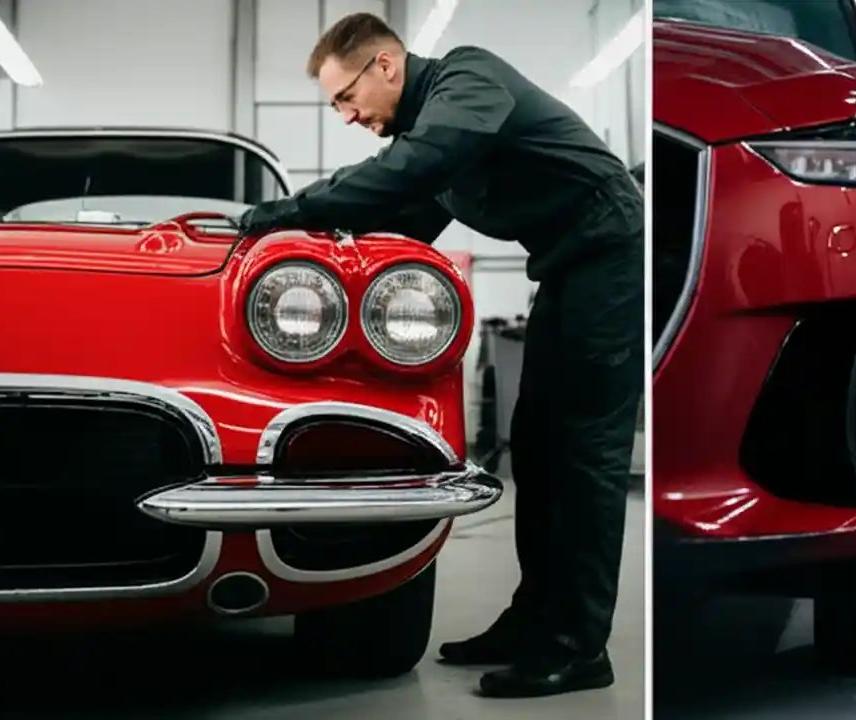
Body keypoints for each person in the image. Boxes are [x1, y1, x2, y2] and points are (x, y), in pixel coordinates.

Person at [238, 13, 644, 697]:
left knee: (584, 454)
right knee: (537, 449)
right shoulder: (436, 137)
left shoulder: (467, 79)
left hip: (609, 259)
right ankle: (533, 621)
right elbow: (400, 216)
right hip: (569, 269)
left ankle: (577, 648)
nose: (346, 115)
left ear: (386, 66)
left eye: (345, 97)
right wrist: (305, 243)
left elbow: (410, 169)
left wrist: (284, 210)